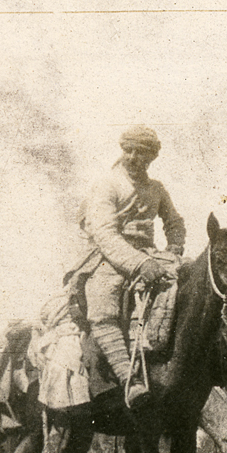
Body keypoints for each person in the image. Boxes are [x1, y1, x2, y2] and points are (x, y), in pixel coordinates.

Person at [64, 126, 184, 409]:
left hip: (150, 255)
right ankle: (129, 378)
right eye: (127, 149)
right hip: (108, 257)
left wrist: (174, 251)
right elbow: (104, 233)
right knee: (102, 305)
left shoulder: (156, 189)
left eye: (140, 152)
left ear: (151, 157)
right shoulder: (108, 184)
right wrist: (139, 262)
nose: (132, 157)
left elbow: (175, 223)